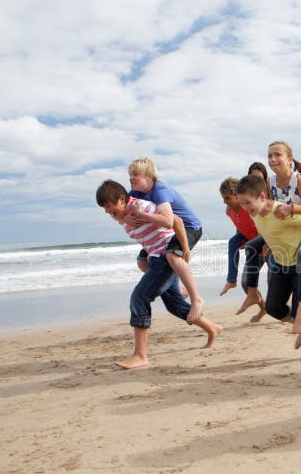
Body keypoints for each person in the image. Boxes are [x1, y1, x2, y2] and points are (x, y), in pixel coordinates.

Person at [96, 180, 222, 369]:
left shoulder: (144, 207)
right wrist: (121, 218)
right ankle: (212, 328)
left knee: (139, 297)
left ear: (122, 199)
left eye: (109, 207)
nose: (107, 212)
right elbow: (146, 236)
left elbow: (176, 221)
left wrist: (185, 252)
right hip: (155, 257)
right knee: (174, 305)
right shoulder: (123, 216)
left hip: (165, 257)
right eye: (105, 209)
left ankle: (140, 355)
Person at [239, 141, 301, 338]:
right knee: (253, 246)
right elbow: (270, 210)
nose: (272, 159)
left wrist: (291, 208)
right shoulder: (270, 182)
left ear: (289, 160)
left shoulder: (298, 180)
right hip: (290, 228)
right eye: (269, 156)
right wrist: (270, 243)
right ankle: (252, 292)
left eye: (277, 155)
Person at [127, 157, 204, 324]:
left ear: (149, 175)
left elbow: (169, 221)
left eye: (135, 174)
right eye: (129, 174)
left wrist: (141, 215)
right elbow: (122, 208)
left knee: (172, 257)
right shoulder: (136, 193)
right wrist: (127, 219)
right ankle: (174, 286)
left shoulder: (159, 190)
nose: (131, 178)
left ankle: (196, 299)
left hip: (190, 228)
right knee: (142, 262)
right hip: (167, 233)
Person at [219, 176, 268, 322]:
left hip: (268, 244)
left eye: (227, 198)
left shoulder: (250, 208)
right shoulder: (229, 211)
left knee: (277, 281)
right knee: (246, 284)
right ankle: (264, 308)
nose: (225, 202)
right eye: (223, 198)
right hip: (252, 246)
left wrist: (262, 244)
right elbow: (240, 225)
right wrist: (241, 238)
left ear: (237, 195)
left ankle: (287, 311)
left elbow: (263, 225)